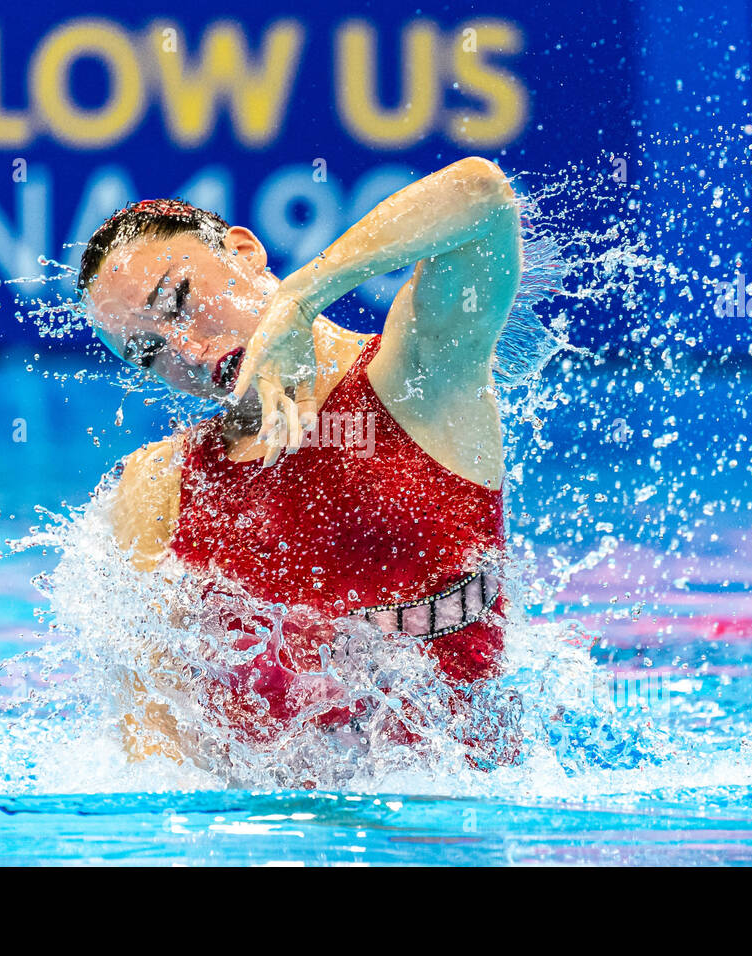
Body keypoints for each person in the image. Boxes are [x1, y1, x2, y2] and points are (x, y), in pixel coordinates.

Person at [78, 157, 523, 763]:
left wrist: (299, 299)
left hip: (451, 824)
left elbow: (482, 196)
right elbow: (154, 741)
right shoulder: (160, 485)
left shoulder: (419, 378)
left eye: (179, 300)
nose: (185, 348)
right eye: (149, 352)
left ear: (245, 251)